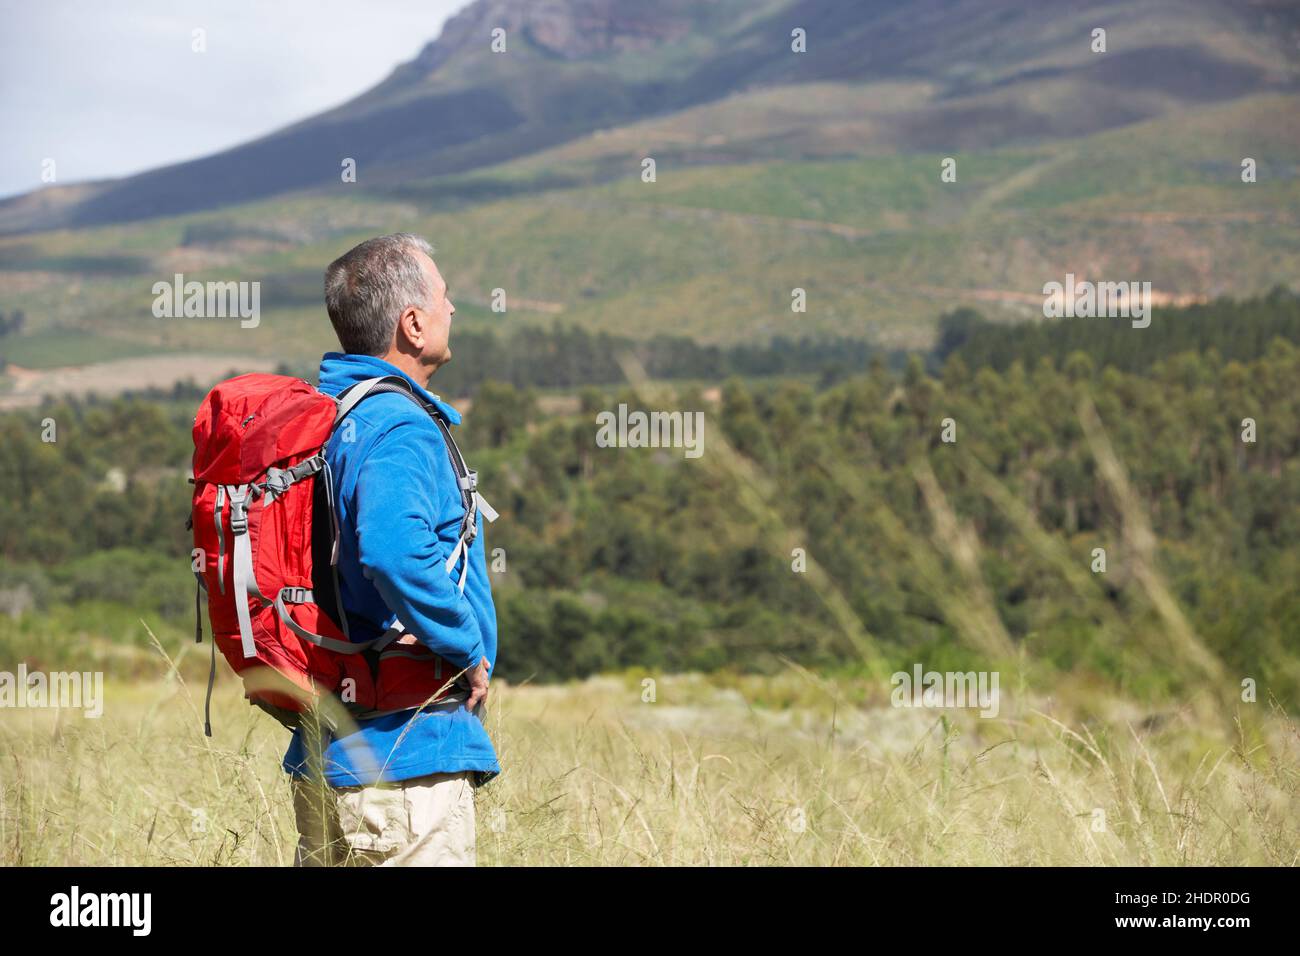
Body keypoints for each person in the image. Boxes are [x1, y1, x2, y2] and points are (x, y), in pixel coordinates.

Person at [285, 233, 498, 866]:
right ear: (412, 322)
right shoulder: (398, 424)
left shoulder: (329, 414)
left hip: (330, 751)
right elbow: (392, 552)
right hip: (402, 764)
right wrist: (468, 646)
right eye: (444, 296)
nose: (452, 309)